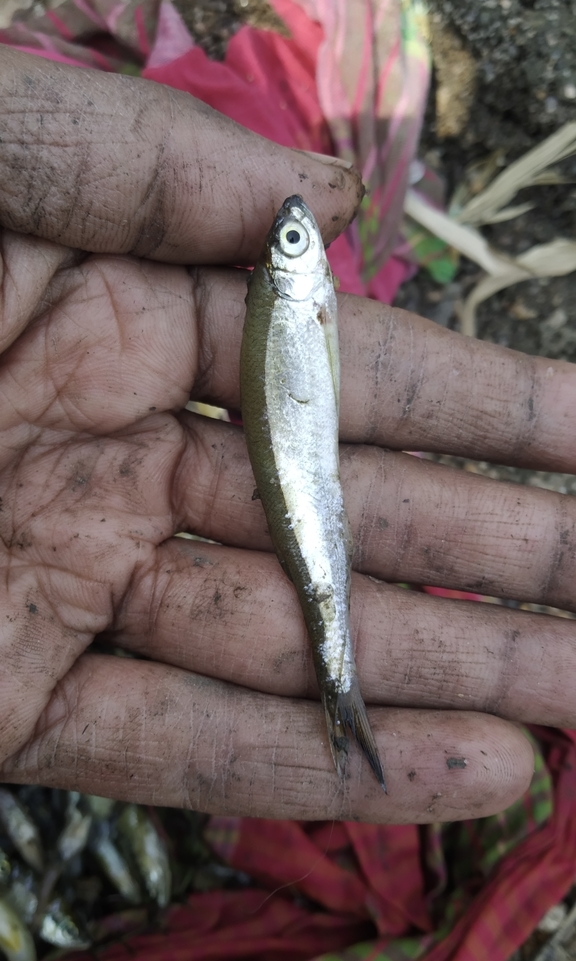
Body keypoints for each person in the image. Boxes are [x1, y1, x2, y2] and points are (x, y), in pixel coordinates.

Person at [0, 46, 574, 825]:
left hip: (304, 475)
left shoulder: (292, 304)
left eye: (292, 243)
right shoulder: (293, 301)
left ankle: (340, 690)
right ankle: (339, 689)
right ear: (288, 278)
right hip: (307, 483)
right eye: (291, 245)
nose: (297, 235)